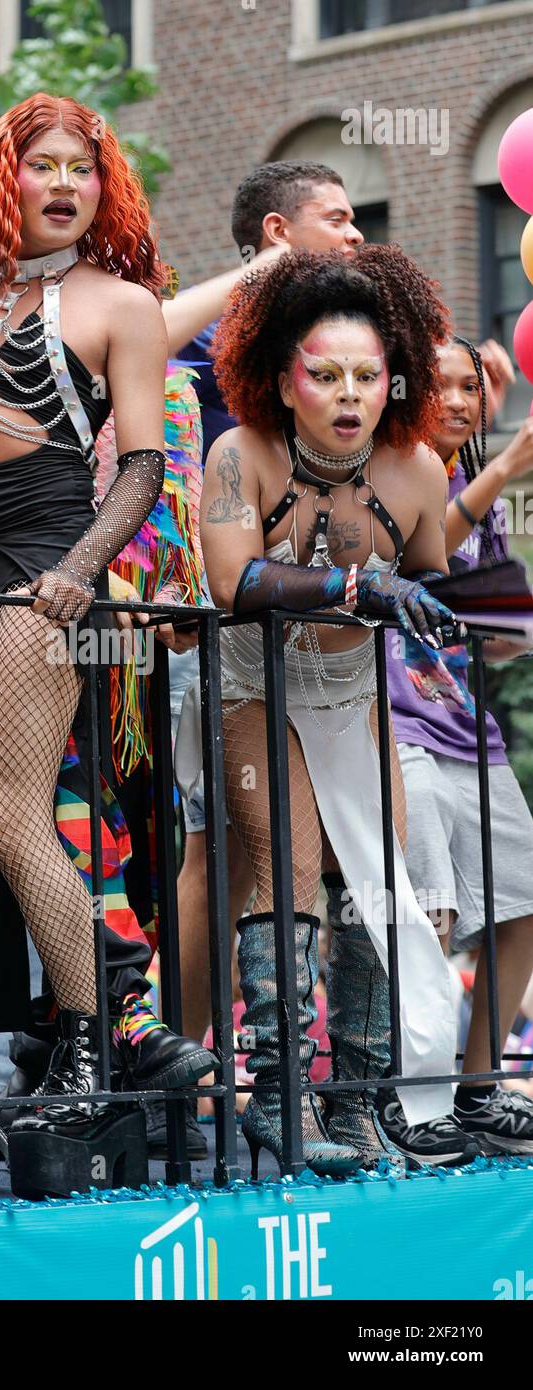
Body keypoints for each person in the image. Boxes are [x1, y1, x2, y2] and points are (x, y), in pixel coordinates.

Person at [0, 93, 214, 1199]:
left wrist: (77, 573)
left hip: (47, 568)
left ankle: (84, 1041)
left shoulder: (123, 303)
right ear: (4, 181)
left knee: (11, 811)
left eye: (82, 168)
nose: (63, 183)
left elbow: (144, 467)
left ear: (102, 190)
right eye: (41, 165)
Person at [177, 244, 478, 1175]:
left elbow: (428, 575)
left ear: (397, 383)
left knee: (373, 888)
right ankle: (279, 1092)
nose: (348, 393)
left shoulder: (419, 471)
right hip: (250, 686)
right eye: (325, 374)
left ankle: (355, 1101)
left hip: (353, 700)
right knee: (292, 864)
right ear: (283, 378)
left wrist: (434, 622)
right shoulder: (241, 454)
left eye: (367, 375)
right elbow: (233, 580)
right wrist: (366, 586)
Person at [167, 161, 364, 1053]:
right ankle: (182, 1071)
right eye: (338, 218)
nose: (357, 235)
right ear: (279, 234)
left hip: (321, 644)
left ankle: (282, 1074)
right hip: (220, 629)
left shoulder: (340, 346)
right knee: (220, 851)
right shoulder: (212, 342)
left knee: (289, 856)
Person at [379, 334, 533, 1160]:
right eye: (439, 385)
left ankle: (478, 1089)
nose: (461, 400)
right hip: (396, 722)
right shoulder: (386, 476)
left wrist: (510, 627)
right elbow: (423, 548)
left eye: (471, 386)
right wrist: (505, 466)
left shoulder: (488, 499)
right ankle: (417, 1095)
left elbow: (490, 623)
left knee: (525, 895)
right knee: (429, 908)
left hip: (466, 727)